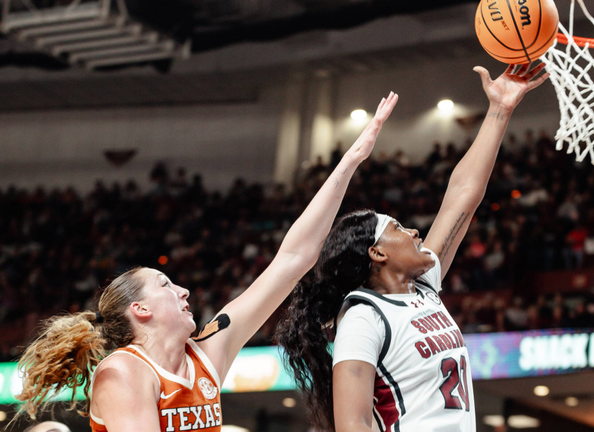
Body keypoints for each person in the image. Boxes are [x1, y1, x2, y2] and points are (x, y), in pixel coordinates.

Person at [13, 92, 400, 431]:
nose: (183, 290)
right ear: (140, 308)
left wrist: (350, 160)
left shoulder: (207, 353)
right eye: (165, 283)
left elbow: (293, 259)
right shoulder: (123, 371)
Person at [276, 62, 548, 432]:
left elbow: (462, 199)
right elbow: (353, 425)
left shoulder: (423, 288)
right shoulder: (362, 319)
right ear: (378, 253)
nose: (415, 233)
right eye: (398, 228)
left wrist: (500, 110)